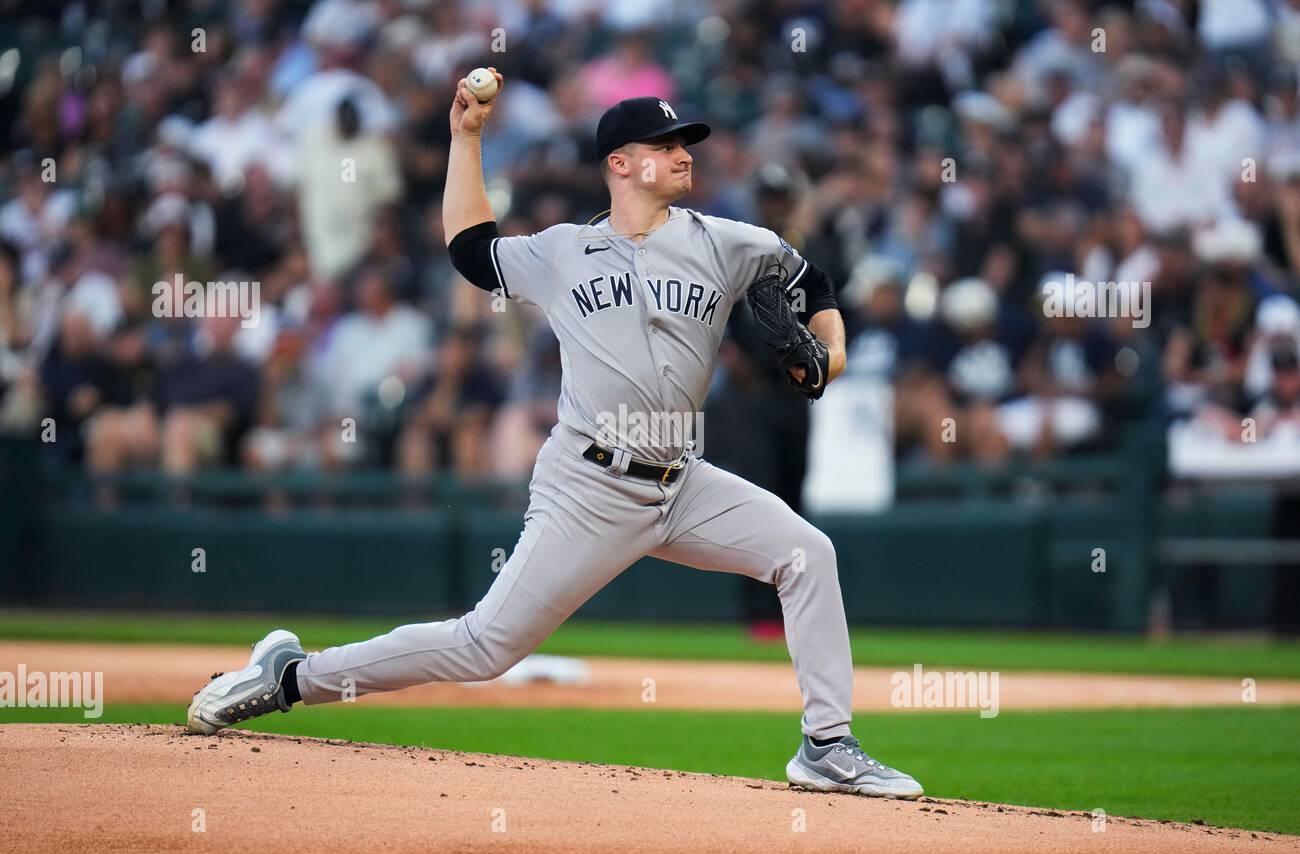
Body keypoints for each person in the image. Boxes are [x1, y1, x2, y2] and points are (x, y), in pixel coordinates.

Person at [184, 71, 924, 801]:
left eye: (685, 142)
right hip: (590, 484)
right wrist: (466, 139)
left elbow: (818, 286)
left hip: (684, 481)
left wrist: (831, 355)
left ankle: (827, 746)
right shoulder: (562, 251)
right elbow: (470, 251)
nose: (684, 153)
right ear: (620, 164)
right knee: (483, 647)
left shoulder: (730, 242)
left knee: (807, 552)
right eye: (665, 144)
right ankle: (289, 675)